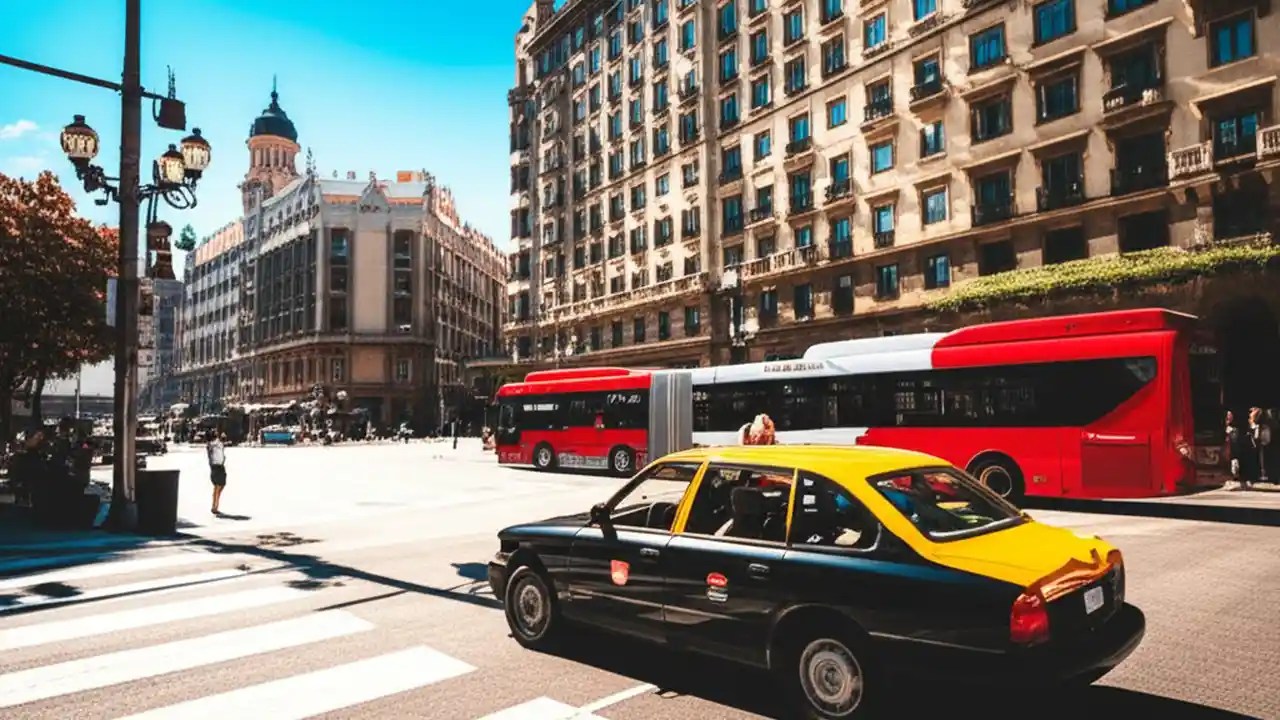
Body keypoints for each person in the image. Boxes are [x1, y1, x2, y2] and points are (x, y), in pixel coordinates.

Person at [206, 432, 228, 514]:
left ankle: (214, 505)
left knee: (218, 486)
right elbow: (219, 444)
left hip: (215, 467)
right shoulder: (215, 445)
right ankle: (214, 506)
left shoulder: (211, 445)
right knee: (218, 486)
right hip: (217, 467)